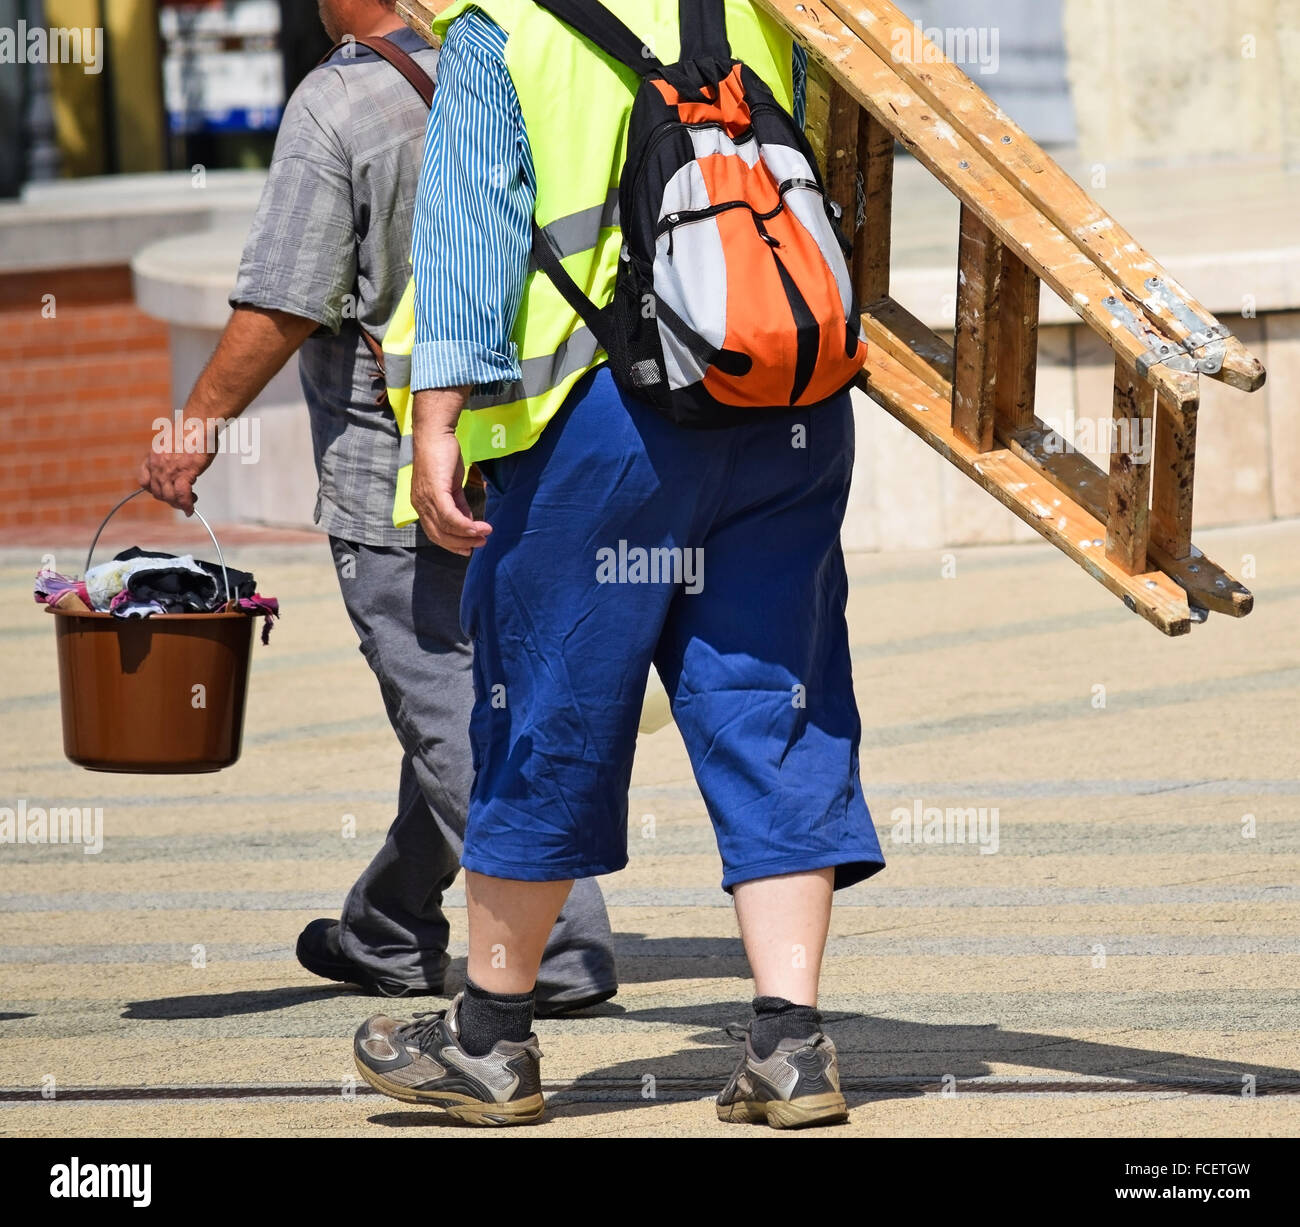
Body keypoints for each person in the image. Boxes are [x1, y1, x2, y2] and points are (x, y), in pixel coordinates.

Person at [352, 0, 884, 1128]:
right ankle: (791, 1044)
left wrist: (436, 415)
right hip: (782, 396)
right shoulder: (761, 5)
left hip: (604, 419)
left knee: (550, 705)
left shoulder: (502, 26)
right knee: (773, 700)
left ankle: (489, 1040)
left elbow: (472, 235)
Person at [137, 0, 618, 1013]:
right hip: (528, 425)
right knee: (467, 687)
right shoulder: (514, 57)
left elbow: (285, 302)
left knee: (441, 695)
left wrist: (193, 432)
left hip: (393, 450)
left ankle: (566, 947)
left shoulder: (341, 97)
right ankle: (392, 927)